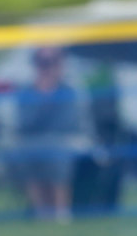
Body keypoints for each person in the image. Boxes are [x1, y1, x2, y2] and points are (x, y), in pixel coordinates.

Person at [10, 47, 84, 223]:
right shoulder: (27, 92)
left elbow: (67, 124)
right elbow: (24, 123)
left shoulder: (67, 91)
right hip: (32, 140)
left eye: (51, 63)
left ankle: (61, 211)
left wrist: (47, 100)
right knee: (25, 154)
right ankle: (41, 211)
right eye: (42, 63)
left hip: (60, 140)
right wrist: (43, 100)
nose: (47, 68)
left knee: (57, 155)